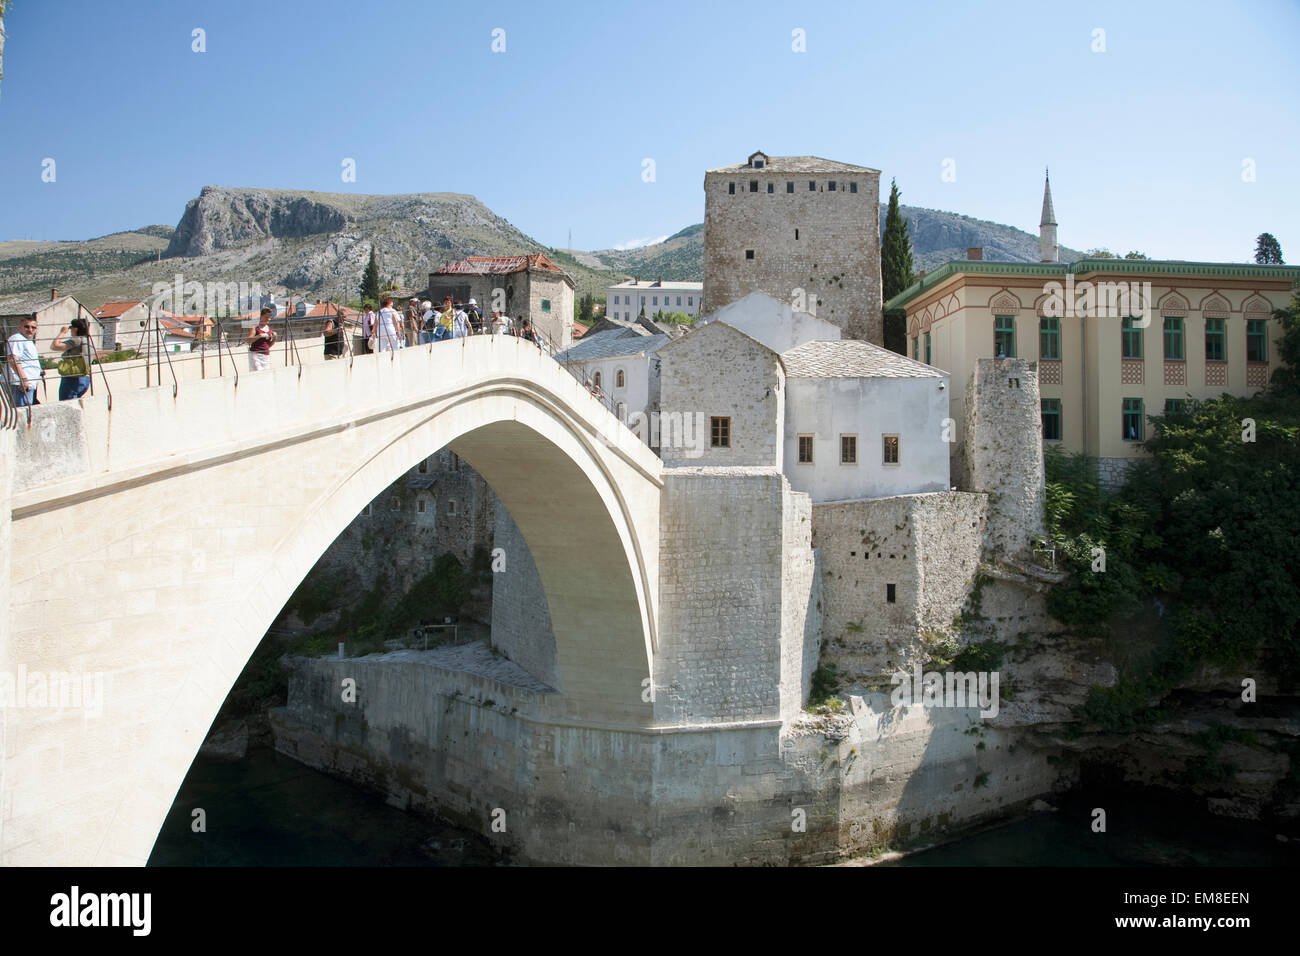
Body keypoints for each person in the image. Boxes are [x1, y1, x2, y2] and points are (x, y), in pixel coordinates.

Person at [52, 317, 91, 400]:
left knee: (66, 405)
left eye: (71, 327)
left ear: (75, 329)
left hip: (73, 378)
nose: (70, 330)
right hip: (85, 377)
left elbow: (54, 346)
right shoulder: (87, 340)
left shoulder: (76, 340)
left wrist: (62, 333)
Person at [5, 316, 41, 406]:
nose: (30, 329)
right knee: (21, 413)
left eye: (33, 327)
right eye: (26, 326)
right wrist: (23, 379)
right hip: (19, 384)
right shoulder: (17, 338)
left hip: (26, 383)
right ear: (19, 327)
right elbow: (13, 359)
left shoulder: (27, 340)